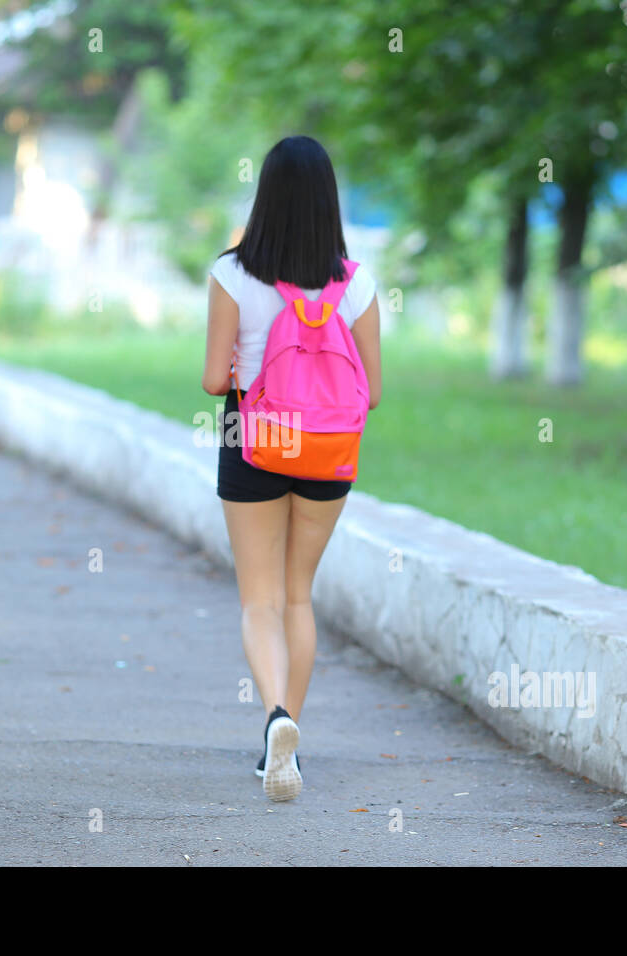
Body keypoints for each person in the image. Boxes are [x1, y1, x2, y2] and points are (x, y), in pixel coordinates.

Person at [201, 135, 382, 802]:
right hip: (329, 448)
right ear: (328, 199)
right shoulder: (355, 282)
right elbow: (374, 389)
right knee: (299, 594)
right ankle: (289, 743)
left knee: (260, 598)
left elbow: (212, 378)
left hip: (253, 435)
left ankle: (275, 717)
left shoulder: (231, 273)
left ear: (266, 195)